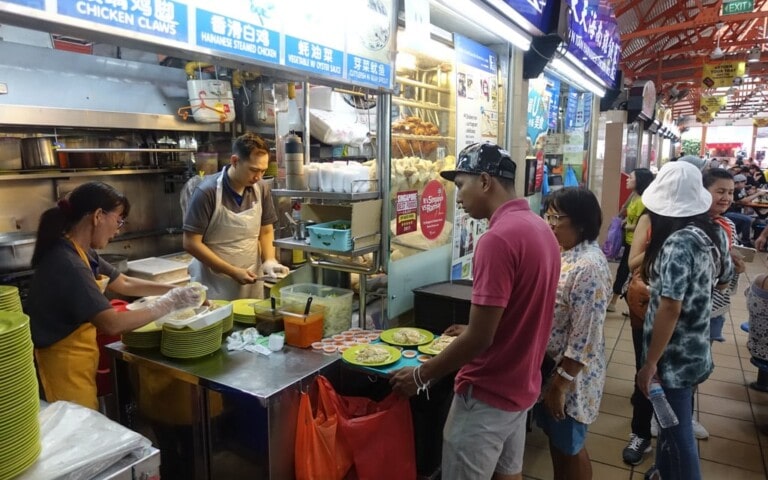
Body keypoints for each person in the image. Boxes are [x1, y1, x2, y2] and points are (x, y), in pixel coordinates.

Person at [390, 143, 561, 480]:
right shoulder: (542, 230)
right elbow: (522, 312)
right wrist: (470, 329)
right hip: (521, 389)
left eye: (461, 186)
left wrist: (422, 376)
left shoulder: (497, 240)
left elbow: (481, 338)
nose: (457, 199)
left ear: (485, 181)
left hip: (485, 397)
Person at [28, 182, 203, 410]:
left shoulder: (81, 251)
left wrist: (176, 291)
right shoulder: (67, 262)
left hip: (77, 362)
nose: (118, 230)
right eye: (119, 220)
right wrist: (169, 304)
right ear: (98, 216)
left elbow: (124, 282)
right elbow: (111, 323)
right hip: (59, 367)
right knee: (76, 431)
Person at [636, 161, 734, 480]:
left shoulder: (678, 242)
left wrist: (651, 362)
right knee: (669, 423)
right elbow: (725, 278)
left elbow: (670, 308)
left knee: (678, 433)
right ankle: (663, 472)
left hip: (671, 355)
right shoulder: (714, 231)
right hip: (695, 346)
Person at [536, 187, 611, 480]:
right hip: (552, 368)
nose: (550, 223)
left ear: (581, 221)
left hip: (570, 376)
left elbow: (585, 337)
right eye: (548, 215)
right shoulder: (566, 253)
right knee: (559, 442)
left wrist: (560, 385)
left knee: (570, 446)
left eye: (557, 217)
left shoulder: (588, 266)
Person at [183, 133, 288, 300]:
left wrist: (269, 260)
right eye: (253, 170)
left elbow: (266, 231)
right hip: (214, 282)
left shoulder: (261, 188)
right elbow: (191, 243)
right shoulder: (207, 192)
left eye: (263, 170)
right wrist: (232, 271)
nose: (258, 177)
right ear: (234, 161)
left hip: (252, 277)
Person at [607, 168, 654, 313]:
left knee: (628, 271)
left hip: (638, 243)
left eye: (631, 177)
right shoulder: (635, 196)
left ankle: (626, 302)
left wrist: (628, 225)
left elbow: (644, 223)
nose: (627, 179)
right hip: (628, 240)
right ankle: (621, 300)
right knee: (624, 271)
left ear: (639, 181)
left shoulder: (644, 201)